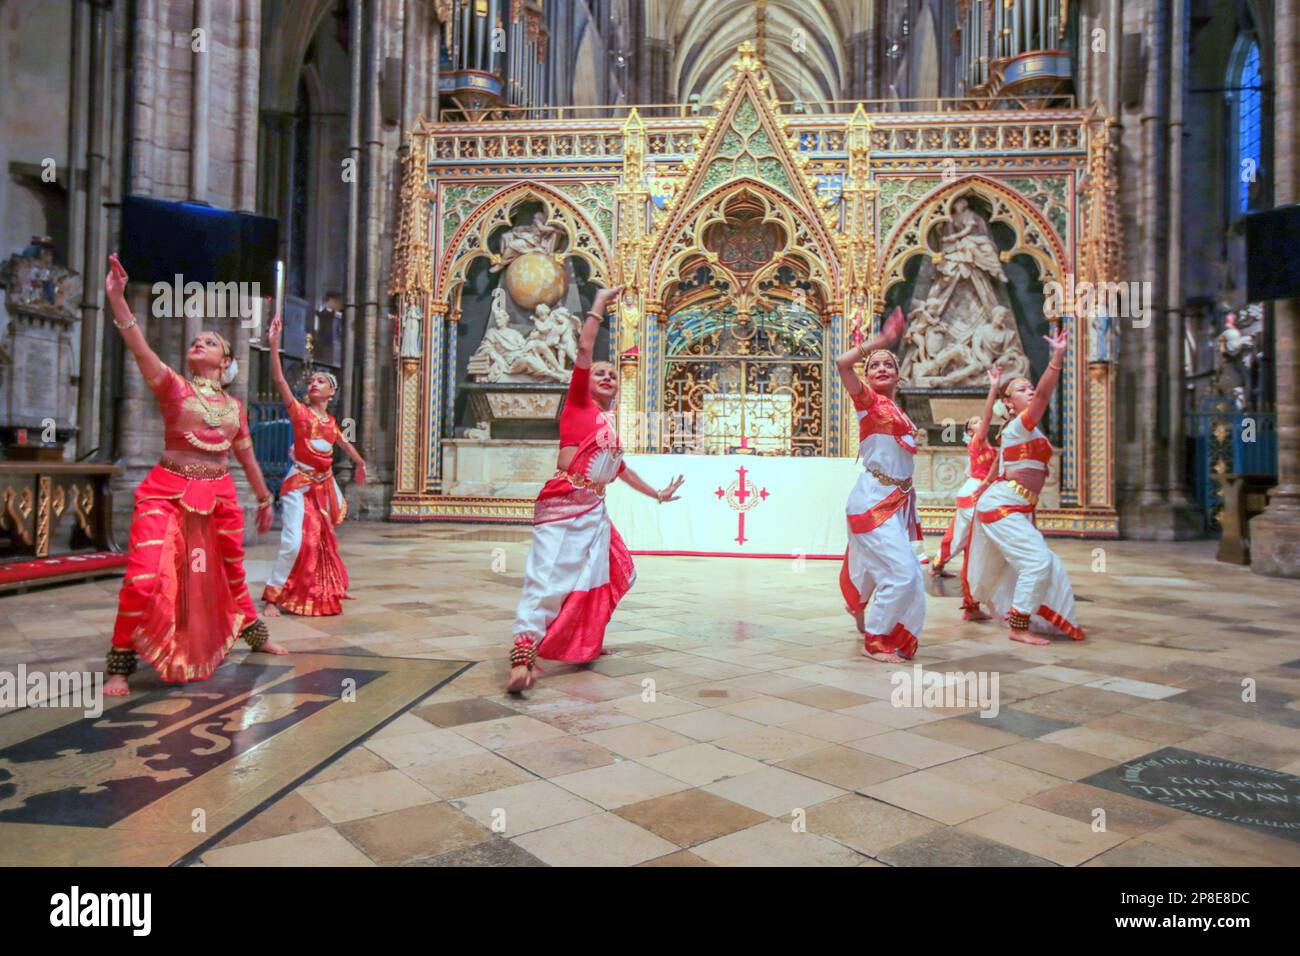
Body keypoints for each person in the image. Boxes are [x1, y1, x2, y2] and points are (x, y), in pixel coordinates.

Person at [101, 253, 287, 697]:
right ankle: (120, 661)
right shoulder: (173, 387)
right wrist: (117, 300)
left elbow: (247, 459)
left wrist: (264, 499)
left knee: (231, 574)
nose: (199, 343)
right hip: (166, 491)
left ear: (226, 362)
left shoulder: (234, 408)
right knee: (144, 577)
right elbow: (140, 347)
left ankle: (255, 637)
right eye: (196, 340)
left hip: (218, 494)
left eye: (210, 341)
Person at [507, 286, 685, 693]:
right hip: (565, 505)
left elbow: (619, 469)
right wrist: (600, 305)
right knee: (548, 580)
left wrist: (657, 493)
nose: (606, 377)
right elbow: (584, 352)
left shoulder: (607, 424)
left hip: (594, 510)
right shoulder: (579, 406)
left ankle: (581, 639)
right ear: (586, 383)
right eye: (600, 373)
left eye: (613, 375)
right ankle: (522, 655)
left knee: (607, 573)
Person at [966, 326, 1085, 644]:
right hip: (1003, 505)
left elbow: (998, 465)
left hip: (1010, 504)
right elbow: (1046, 395)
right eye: (1021, 389)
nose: (1030, 390)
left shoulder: (1014, 432)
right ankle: (1019, 626)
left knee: (1022, 565)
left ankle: (999, 610)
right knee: (1037, 561)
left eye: (1030, 386)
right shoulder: (1020, 424)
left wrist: (985, 484)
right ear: (1009, 402)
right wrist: (1057, 357)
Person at [835, 306, 926, 663]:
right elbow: (843, 364)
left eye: (888, 363)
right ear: (868, 378)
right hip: (873, 502)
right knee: (903, 573)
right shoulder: (868, 403)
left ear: (899, 376)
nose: (882, 368)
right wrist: (882, 341)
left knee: (901, 573)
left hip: (894, 503)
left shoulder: (899, 411)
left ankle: (883, 626)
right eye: (875, 365)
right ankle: (875, 638)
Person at [261, 315, 367, 617]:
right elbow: (280, 381)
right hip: (299, 484)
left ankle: (331, 586)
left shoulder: (331, 423)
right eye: (311, 381)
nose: (313, 384)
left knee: (322, 539)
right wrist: (272, 345)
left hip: (321, 486)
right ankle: (273, 594)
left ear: (331, 393)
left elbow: (344, 445)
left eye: (320, 381)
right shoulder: (300, 414)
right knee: (293, 541)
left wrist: (360, 464)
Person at [931, 367, 1001, 621]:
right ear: (971, 431)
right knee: (972, 543)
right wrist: (993, 387)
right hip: (975, 493)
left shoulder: (989, 444)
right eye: (974, 422)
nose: (979, 421)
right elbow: (988, 412)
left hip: (978, 492)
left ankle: (939, 564)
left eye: (979, 420)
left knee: (961, 537)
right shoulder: (978, 441)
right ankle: (971, 602)